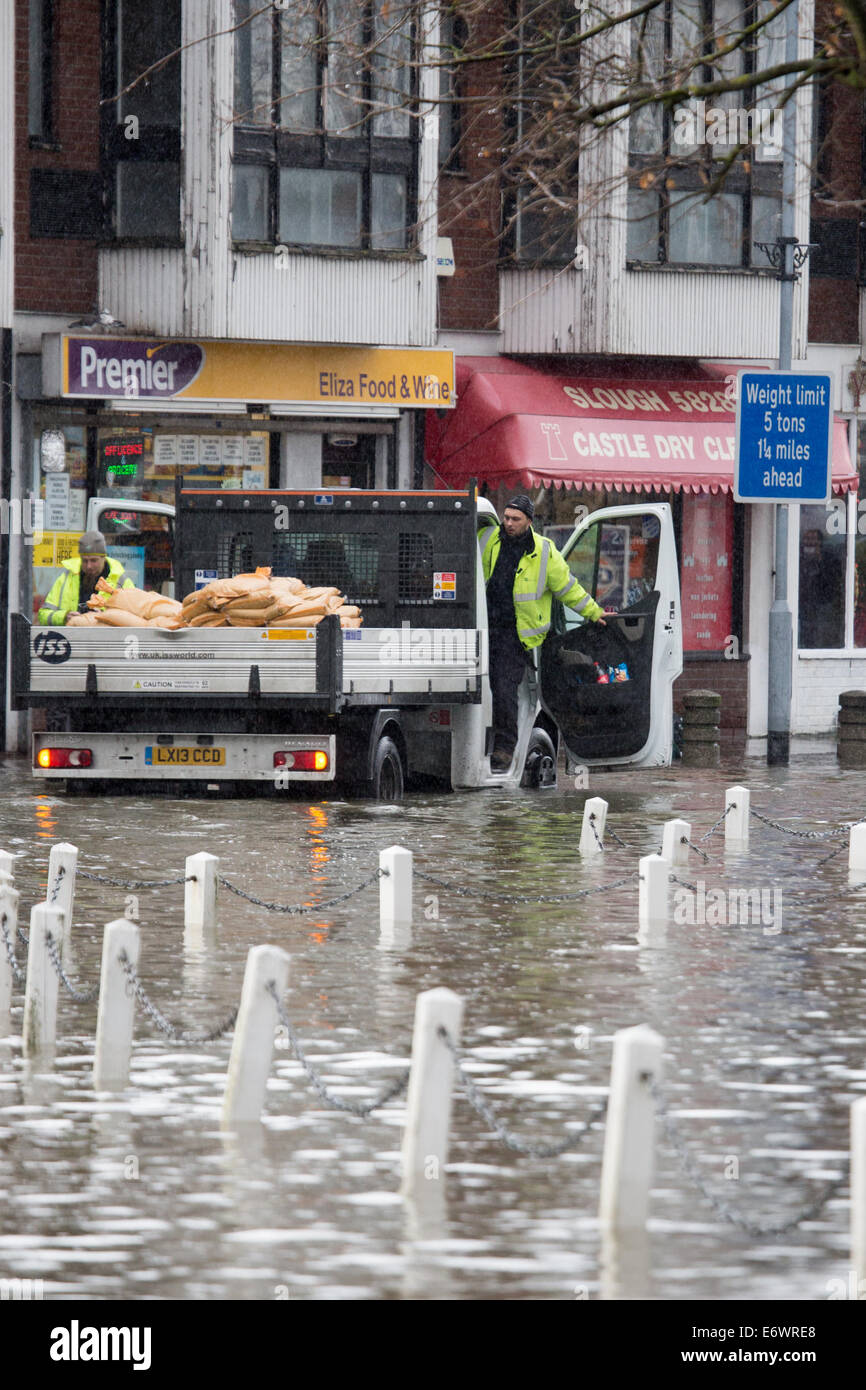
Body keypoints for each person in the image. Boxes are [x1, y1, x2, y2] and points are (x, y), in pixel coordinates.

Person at [481, 495, 606, 770]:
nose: (508, 523)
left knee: (503, 689)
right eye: (506, 517)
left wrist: (595, 613)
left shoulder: (545, 551)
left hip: (516, 636)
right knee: (484, 689)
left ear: (528, 521)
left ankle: (504, 748)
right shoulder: (491, 540)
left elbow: (569, 589)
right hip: (485, 628)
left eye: (515, 519)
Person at [37, 530, 134, 625]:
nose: (89, 566)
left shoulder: (122, 581)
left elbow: (135, 617)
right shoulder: (66, 578)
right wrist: (64, 617)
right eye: (85, 561)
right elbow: (43, 615)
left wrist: (107, 617)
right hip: (72, 638)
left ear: (104, 558)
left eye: (93, 560)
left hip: (107, 640)